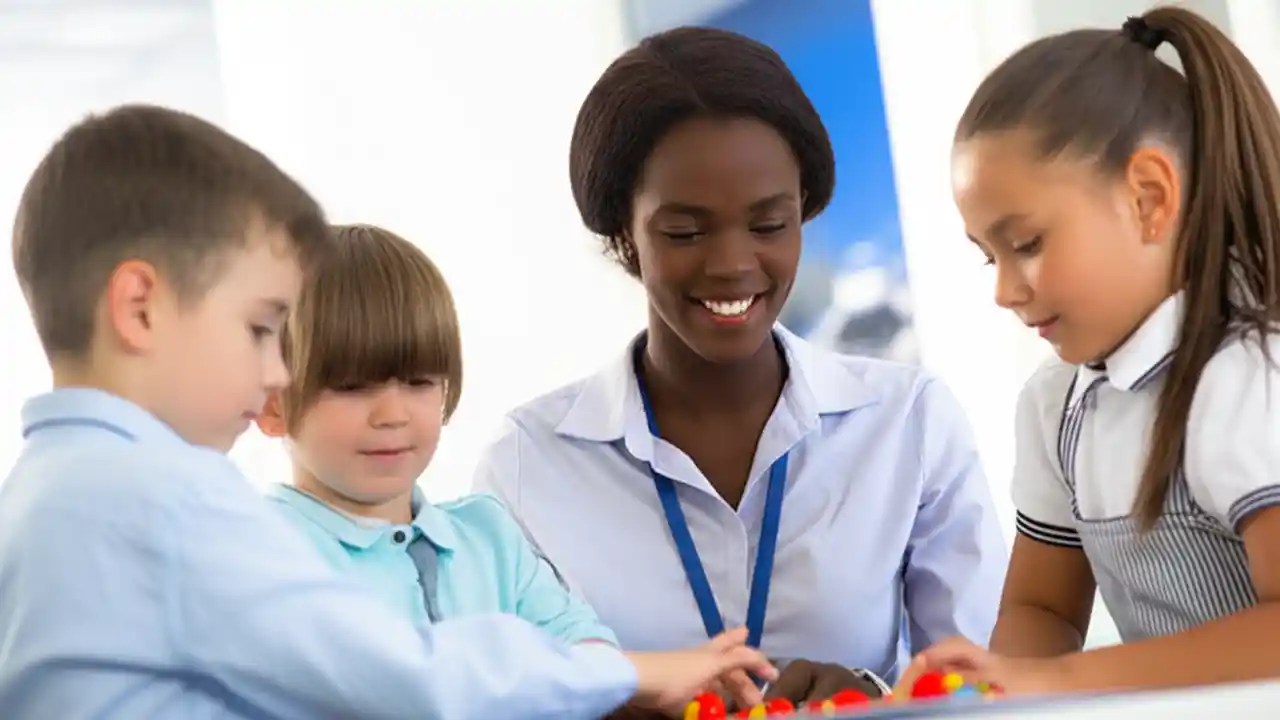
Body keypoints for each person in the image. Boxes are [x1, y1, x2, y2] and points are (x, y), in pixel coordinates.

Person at [0, 104, 775, 719]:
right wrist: (635, 672)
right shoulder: (160, 501)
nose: (274, 371)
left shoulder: (50, 491)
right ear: (140, 309)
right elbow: (406, 677)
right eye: (259, 328)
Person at [474, 26, 1008, 709]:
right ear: (623, 238)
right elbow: (500, 695)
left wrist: (873, 696)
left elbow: (992, 687)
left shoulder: (908, 422)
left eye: (768, 225)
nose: (732, 264)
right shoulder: (527, 466)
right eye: (685, 232)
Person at [896, 6, 1280, 697]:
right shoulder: (1057, 405)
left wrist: (1067, 681)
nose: (1006, 291)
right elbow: (1040, 609)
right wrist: (996, 690)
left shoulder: (1249, 373)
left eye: (1028, 245)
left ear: (1149, 198)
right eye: (990, 259)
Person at [255, 223, 620, 647]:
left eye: (419, 382)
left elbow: (584, 650)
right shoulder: (256, 554)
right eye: (352, 387)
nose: (392, 415)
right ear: (270, 404)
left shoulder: (490, 538)